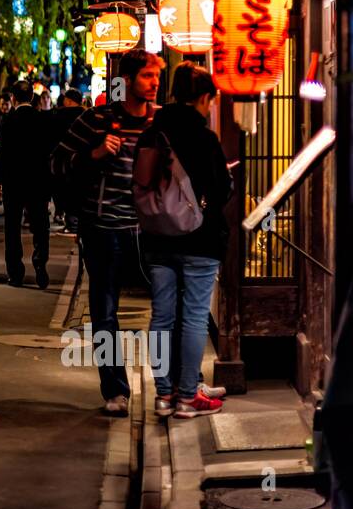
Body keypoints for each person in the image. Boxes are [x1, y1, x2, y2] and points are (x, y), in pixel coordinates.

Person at [53, 49, 163, 416]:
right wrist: (95, 154)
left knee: (167, 307)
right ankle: (115, 390)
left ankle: (173, 384)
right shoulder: (96, 120)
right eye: (147, 76)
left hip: (150, 230)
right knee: (104, 311)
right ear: (127, 80)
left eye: (157, 77)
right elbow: (58, 162)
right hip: (102, 229)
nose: (154, 83)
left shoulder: (160, 124)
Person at [135, 63, 232, 419]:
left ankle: (163, 395)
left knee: (161, 316)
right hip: (199, 240)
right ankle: (188, 397)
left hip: (158, 238)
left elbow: (142, 183)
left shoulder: (152, 134)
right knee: (193, 317)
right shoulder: (205, 139)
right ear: (204, 98)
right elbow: (221, 189)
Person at [0, 79, 56, 288]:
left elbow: (1, 153)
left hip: (13, 180)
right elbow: (50, 151)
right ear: (32, 97)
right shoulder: (43, 120)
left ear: (13, 98)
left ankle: (15, 272)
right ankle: (40, 265)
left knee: (12, 226)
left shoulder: (6, 120)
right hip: (38, 179)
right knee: (40, 225)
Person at [49, 87, 85, 235]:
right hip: (82, 159)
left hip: (63, 159)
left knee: (64, 191)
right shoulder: (86, 115)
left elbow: (52, 138)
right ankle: (75, 222)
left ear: (69, 100)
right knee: (78, 190)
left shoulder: (59, 114)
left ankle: (71, 223)